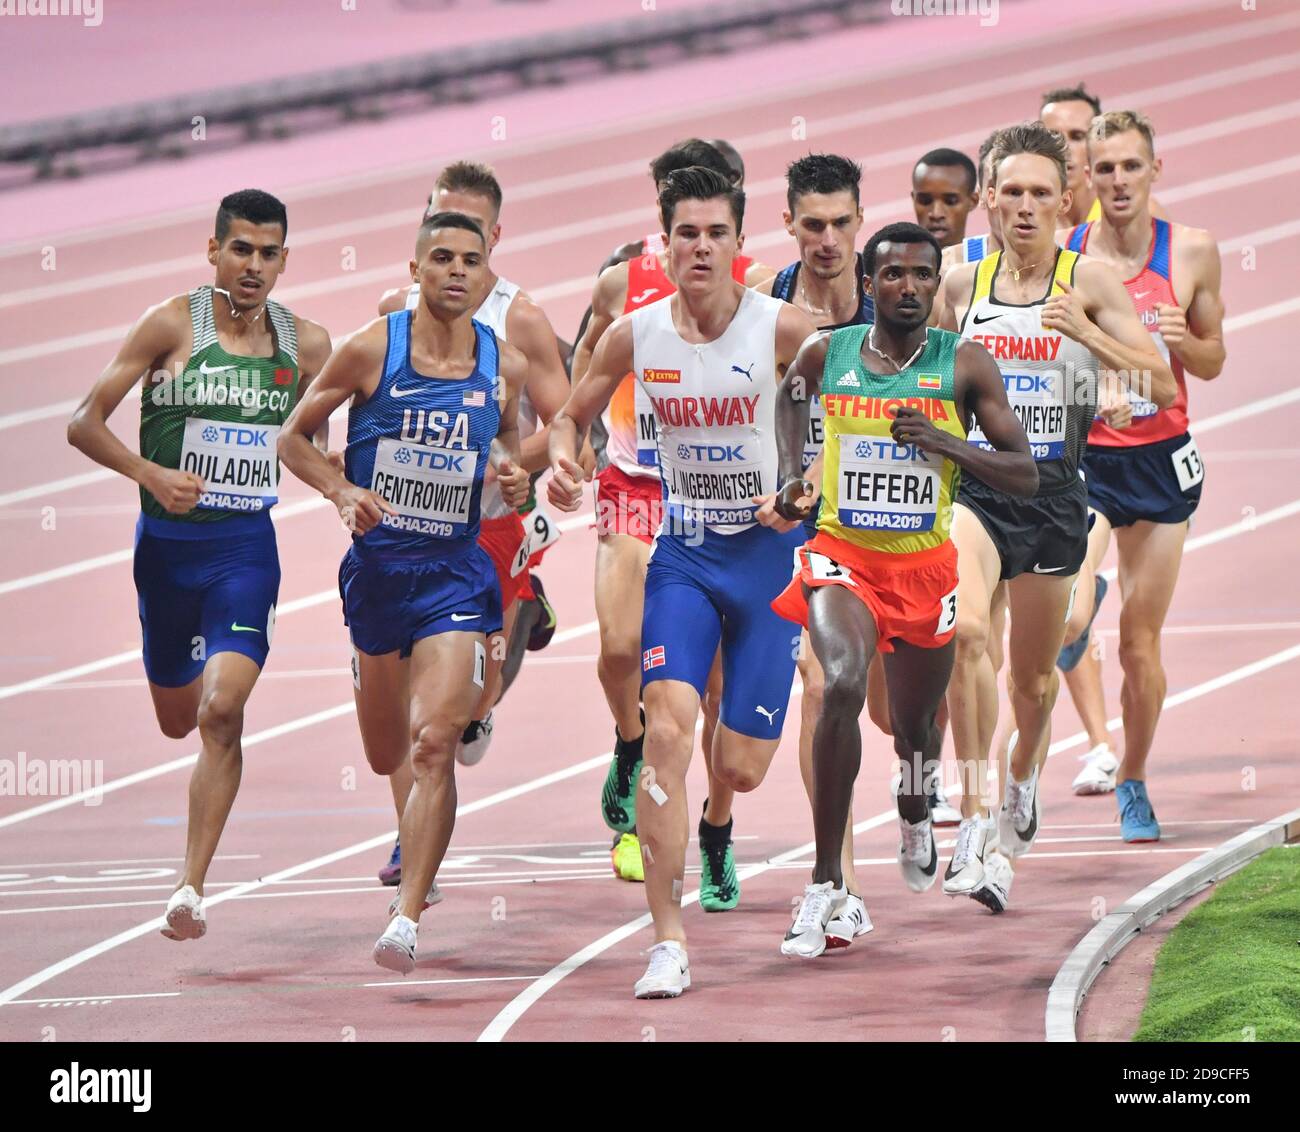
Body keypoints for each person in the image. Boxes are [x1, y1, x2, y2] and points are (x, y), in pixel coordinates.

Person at [549, 166, 817, 997]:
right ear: (664, 245)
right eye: (687, 234)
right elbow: (571, 414)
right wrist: (563, 459)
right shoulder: (633, 335)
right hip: (686, 554)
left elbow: (849, 416)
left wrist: (805, 488)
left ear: (740, 243)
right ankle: (667, 939)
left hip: (768, 560)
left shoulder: (785, 328)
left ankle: (715, 820)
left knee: (739, 767)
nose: (701, 248)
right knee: (666, 728)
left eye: (716, 234)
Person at [67, 189, 332, 941]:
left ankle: (189, 887)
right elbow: (83, 422)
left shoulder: (308, 347)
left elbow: (315, 439)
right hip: (164, 556)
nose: (253, 265)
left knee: (221, 711)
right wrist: (148, 474)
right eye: (240, 249)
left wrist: (339, 478)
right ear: (213, 250)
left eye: (268, 253)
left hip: (244, 554)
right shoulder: (170, 324)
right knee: (177, 719)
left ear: (284, 260)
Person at [771, 221, 1037, 956]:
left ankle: (915, 805)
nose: (910, 287)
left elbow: (1024, 471)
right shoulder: (829, 353)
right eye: (893, 275)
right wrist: (792, 474)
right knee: (840, 683)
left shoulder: (964, 365)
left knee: (916, 730)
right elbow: (791, 396)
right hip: (843, 557)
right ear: (869, 284)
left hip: (923, 570)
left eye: (923, 274)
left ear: (936, 282)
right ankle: (826, 883)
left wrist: (946, 441)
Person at [279, 212, 529, 972]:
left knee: (433, 744)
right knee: (386, 748)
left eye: (471, 261)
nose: (457, 271)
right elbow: (292, 437)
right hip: (379, 576)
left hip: (454, 573)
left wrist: (511, 472)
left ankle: (409, 917)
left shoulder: (504, 363)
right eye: (442, 258)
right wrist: (341, 490)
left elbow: (507, 440)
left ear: (486, 274)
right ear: (416, 270)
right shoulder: (371, 349)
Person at [935, 122, 1175, 912]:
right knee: (966, 634)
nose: (1026, 206)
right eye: (1012, 191)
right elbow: (921, 382)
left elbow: (1161, 382)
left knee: (1033, 683)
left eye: (1042, 192)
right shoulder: (959, 286)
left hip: (1054, 499)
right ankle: (975, 817)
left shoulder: (1091, 281)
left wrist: (1091, 338)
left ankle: (1020, 781)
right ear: (988, 199)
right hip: (976, 494)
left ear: (1066, 200)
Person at [572, 139, 773, 895]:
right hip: (637, 482)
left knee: (712, 694)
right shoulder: (621, 283)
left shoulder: (759, 290)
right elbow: (587, 365)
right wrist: (576, 443)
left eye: (718, 218)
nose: (701, 241)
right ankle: (631, 745)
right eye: (684, 219)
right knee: (620, 648)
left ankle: (716, 827)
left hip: (721, 502)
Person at [371, 162, 571, 889]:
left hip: (486, 528)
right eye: (437, 225)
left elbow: (567, 427)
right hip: (404, 529)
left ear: (494, 238)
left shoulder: (521, 320)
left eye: (470, 235)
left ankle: (525, 611)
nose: (453, 250)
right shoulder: (394, 310)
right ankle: (409, 838)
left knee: (462, 717)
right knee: (408, 699)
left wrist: (507, 463)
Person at [1056, 112, 1224, 838]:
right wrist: (1094, 390)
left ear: (1156, 169)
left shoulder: (1191, 252)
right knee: (1069, 618)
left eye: (1131, 166)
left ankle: (1132, 777)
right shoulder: (1065, 256)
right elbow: (1043, 362)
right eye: (1105, 168)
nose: (1119, 180)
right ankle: (1077, 603)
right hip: (1088, 460)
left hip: (1160, 462)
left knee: (1138, 643)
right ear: (1087, 177)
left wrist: (1188, 343)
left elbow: (1214, 361)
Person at [911, 148, 981, 251]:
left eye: (950, 201)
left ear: (973, 201)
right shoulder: (893, 259)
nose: (936, 214)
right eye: (925, 201)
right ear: (914, 199)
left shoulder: (989, 259)